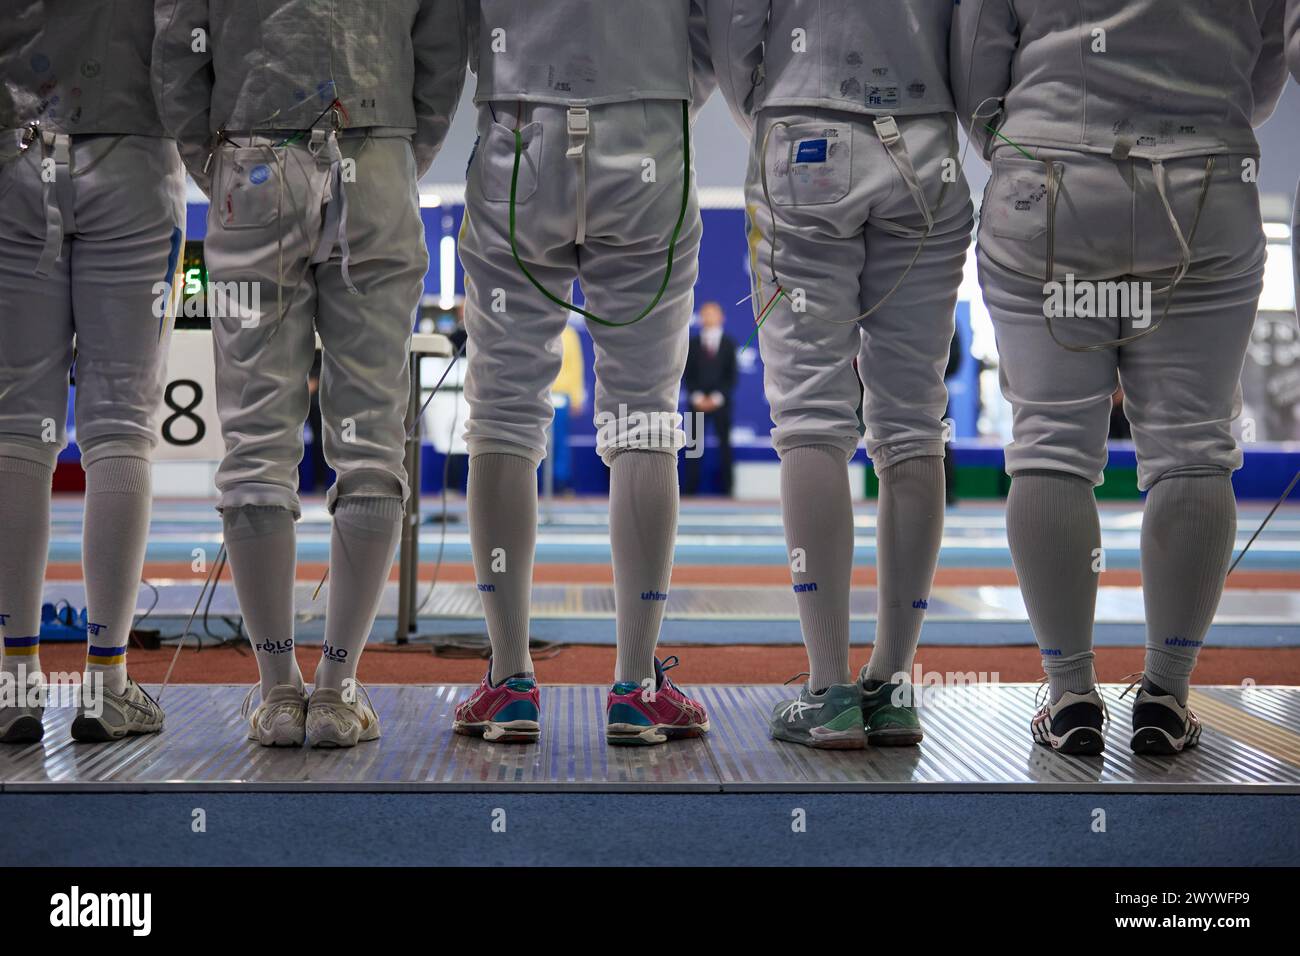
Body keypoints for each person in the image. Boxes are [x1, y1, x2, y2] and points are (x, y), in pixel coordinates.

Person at [952, 0, 1289, 755]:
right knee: (1194, 447)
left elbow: (976, 54)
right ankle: (1166, 699)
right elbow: (1268, 60)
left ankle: (1071, 697)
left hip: (1046, 178)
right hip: (1206, 179)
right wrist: (1209, 113)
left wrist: (1022, 144)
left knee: (1048, 444)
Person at [154, 0, 467, 747]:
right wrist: (391, 151)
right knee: (370, 439)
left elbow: (175, 46)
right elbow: (443, 44)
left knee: (257, 442)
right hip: (377, 155)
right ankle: (335, 687)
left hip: (252, 159)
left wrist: (219, 156)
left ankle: (276, 690)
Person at [711, 0, 973, 748]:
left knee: (811, 421)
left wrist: (768, 102)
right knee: (915, 418)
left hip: (802, 123)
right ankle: (891, 686)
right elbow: (982, 26)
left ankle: (829, 690)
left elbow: (734, 19)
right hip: (928, 143)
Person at [454, 0, 716, 746]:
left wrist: (509, 81)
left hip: (519, 132)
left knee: (503, 411)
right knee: (644, 414)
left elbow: (448, 26)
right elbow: (720, 25)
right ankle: (636, 688)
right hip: (649, 140)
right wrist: (660, 88)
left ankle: (509, 682)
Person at [0, 0, 185, 744]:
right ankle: (106, 683)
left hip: (14, 157)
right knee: (120, 429)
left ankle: (13, 683)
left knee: (17, 426)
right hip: (134, 159)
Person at [683, 301, 738, 496]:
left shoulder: (729, 344)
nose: (709, 317)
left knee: (725, 446)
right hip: (696, 403)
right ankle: (689, 490)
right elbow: (686, 375)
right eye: (705, 314)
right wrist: (697, 397)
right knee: (693, 448)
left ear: (721, 317)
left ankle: (728, 489)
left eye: (713, 313)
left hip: (721, 404)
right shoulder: (692, 343)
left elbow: (731, 376)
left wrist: (716, 398)